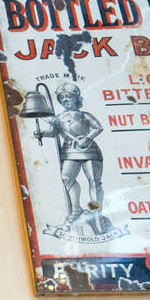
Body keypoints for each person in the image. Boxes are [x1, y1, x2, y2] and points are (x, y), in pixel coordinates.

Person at [34, 81, 106, 229]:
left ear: (76, 98)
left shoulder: (84, 115)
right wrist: (42, 133)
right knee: (66, 177)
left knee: (94, 182)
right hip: (69, 151)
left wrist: (87, 138)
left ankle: (97, 212)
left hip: (89, 150)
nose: (65, 100)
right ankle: (76, 209)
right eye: (62, 98)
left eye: (68, 97)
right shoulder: (58, 118)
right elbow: (54, 132)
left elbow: (98, 127)